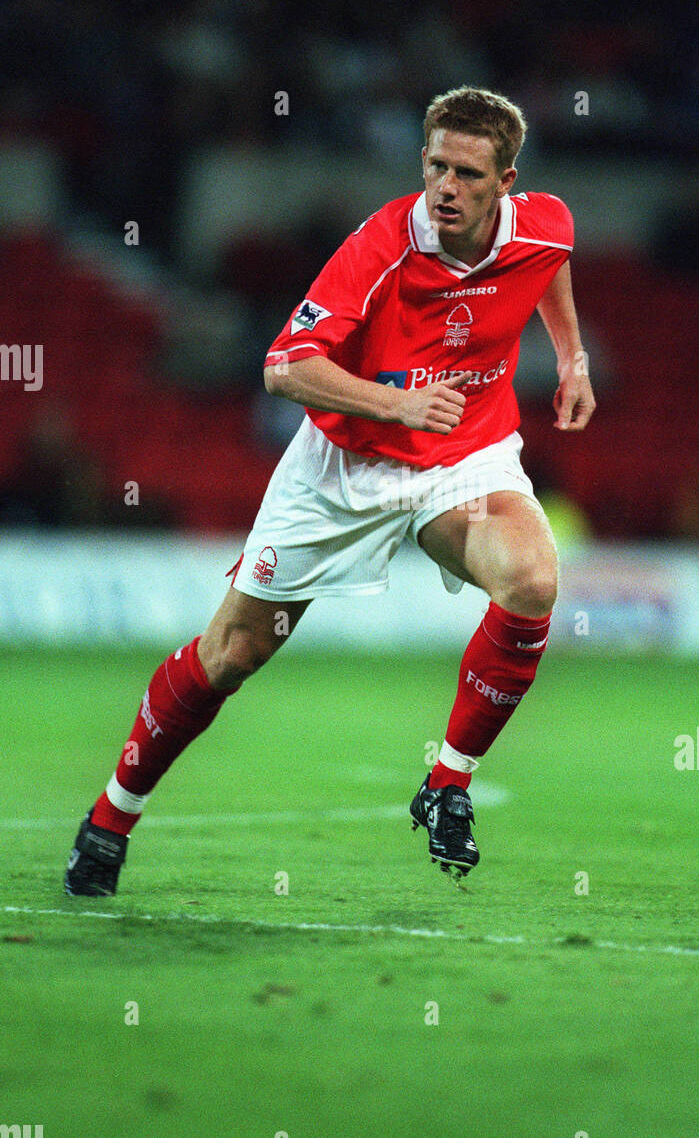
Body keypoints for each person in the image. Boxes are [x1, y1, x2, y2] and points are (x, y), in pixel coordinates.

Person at [64, 86, 595, 895]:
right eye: (436, 166)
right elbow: (283, 367)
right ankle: (109, 820)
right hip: (346, 468)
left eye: (467, 174)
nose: (446, 187)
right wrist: (396, 403)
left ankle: (448, 782)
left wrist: (572, 357)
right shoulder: (382, 245)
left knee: (533, 579)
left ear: (506, 183)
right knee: (232, 654)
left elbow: (547, 268)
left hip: (464, 456)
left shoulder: (546, 223)